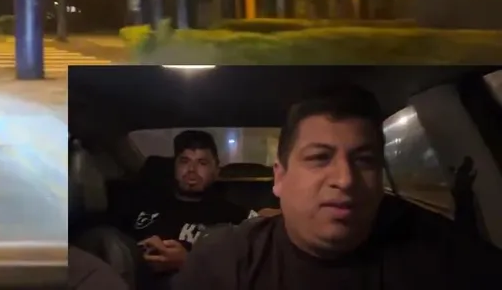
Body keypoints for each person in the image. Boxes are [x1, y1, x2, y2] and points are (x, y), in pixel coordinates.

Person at [172, 83, 502, 289]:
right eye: (320, 158)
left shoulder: (444, 256)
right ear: (280, 177)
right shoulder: (222, 262)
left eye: (364, 160)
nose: (345, 179)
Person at [114, 129, 256, 283]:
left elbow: (250, 270)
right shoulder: (143, 204)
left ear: (216, 171)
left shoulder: (235, 216)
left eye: (202, 163)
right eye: (184, 161)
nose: (191, 169)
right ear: (174, 167)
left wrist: (188, 262)